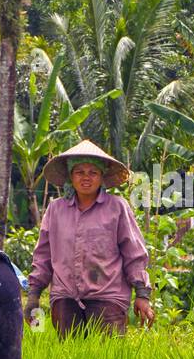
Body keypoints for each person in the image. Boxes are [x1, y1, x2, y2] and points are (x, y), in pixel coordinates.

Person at [24, 139, 155, 337]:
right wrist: (33, 296)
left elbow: (134, 254)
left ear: (102, 176)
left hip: (108, 298)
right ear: (70, 176)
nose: (86, 178)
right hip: (65, 299)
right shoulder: (56, 210)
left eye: (93, 172)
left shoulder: (117, 208)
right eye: (80, 172)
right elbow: (43, 256)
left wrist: (142, 294)